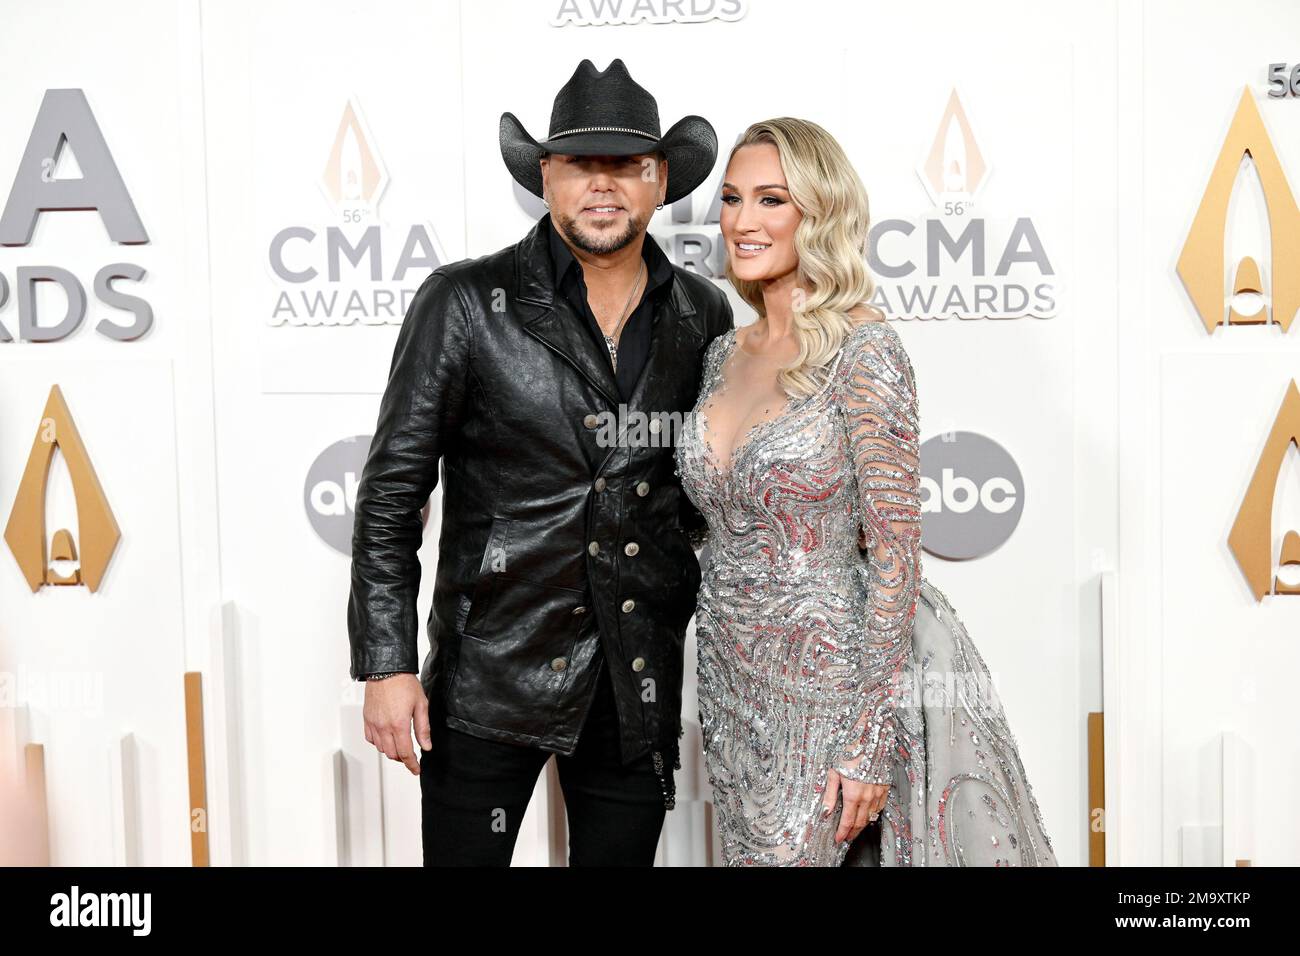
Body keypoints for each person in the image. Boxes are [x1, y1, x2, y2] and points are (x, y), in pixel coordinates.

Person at [346, 58, 732, 866]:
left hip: (635, 681)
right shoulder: (463, 303)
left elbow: (695, 486)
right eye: (579, 163)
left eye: (626, 164)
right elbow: (390, 497)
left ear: (660, 181)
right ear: (545, 177)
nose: (603, 185)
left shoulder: (703, 311)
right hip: (489, 673)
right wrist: (385, 663)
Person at [674, 117, 1058, 866]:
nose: (743, 221)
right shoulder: (723, 351)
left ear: (820, 213)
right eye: (731, 198)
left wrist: (868, 739)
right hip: (729, 683)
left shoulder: (864, 348)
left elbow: (894, 552)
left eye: (771, 200)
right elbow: (717, 519)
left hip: (832, 684)